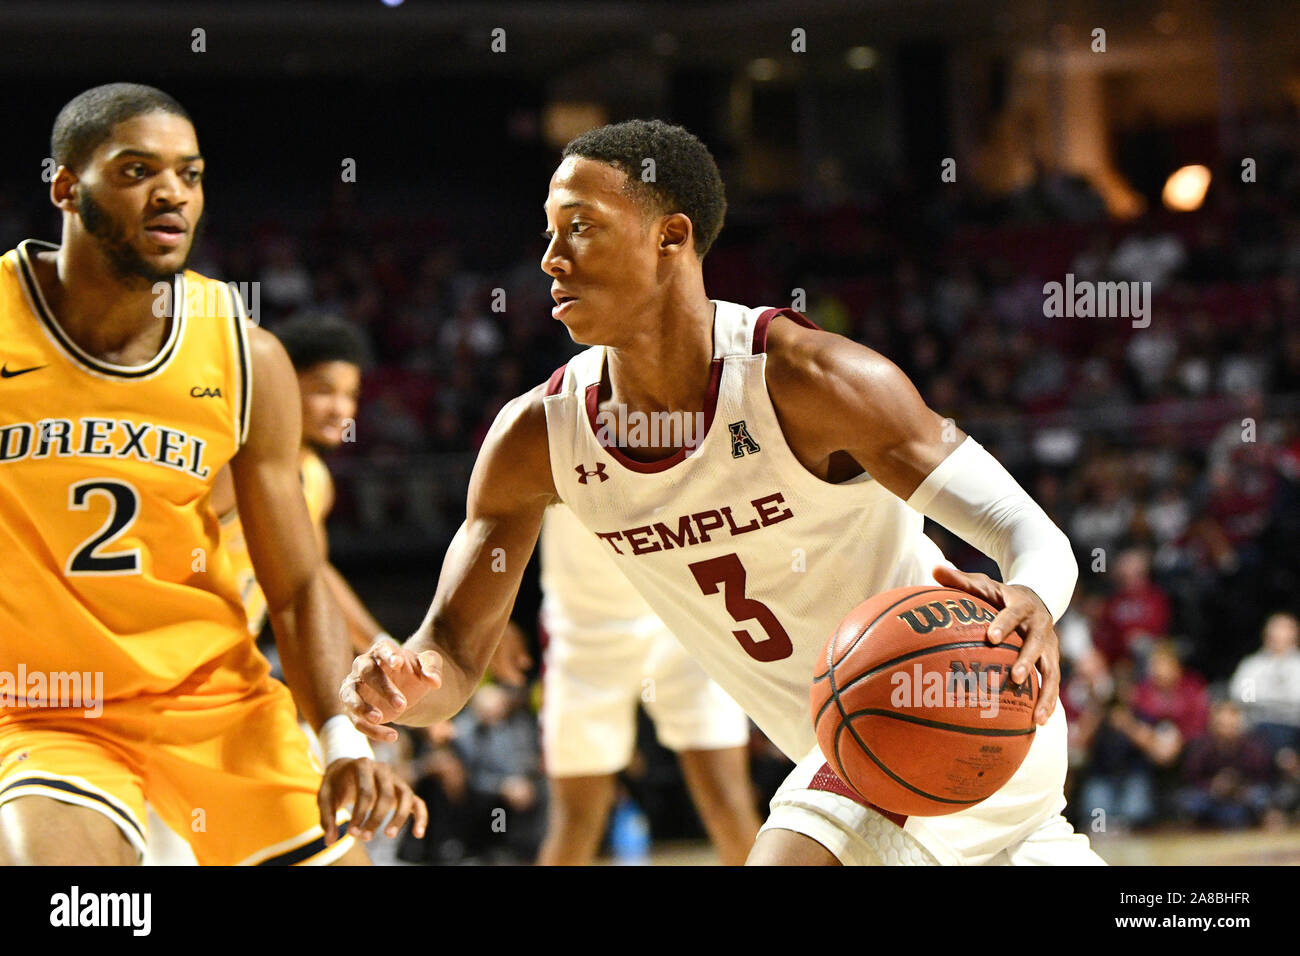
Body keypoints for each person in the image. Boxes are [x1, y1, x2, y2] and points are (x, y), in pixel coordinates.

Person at [341, 119, 1102, 865]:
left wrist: (1031, 593)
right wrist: (411, 686)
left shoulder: (813, 380)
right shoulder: (534, 440)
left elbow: (1026, 530)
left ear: (670, 238)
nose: (549, 258)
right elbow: (450, 654)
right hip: (865, 740)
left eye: (580, 228)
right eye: (548, 231)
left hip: (944, 698)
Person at [0, 83, 424, 866]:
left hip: (217, 706)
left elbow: (296, 587)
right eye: (136, 171)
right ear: (65, 186)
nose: (172, 193)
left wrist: (338, 740)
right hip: (45, 711)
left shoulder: (245, 355)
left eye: (189, 175)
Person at [491, 502, 760, 865]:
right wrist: (495, 614)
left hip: (687, 621)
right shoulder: (539, 443)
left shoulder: (699, 442)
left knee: (729, 806)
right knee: (576, 822)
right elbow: (499, 505)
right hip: (583, 633)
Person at [212, 313, 390, 655]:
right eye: (324, 391)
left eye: (350, 395)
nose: (341, 409)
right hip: (174, 656)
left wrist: (380, 645)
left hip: (230, 660)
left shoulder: (317, 478)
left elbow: (313, 575)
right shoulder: (231, 464)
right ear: (282, 382)